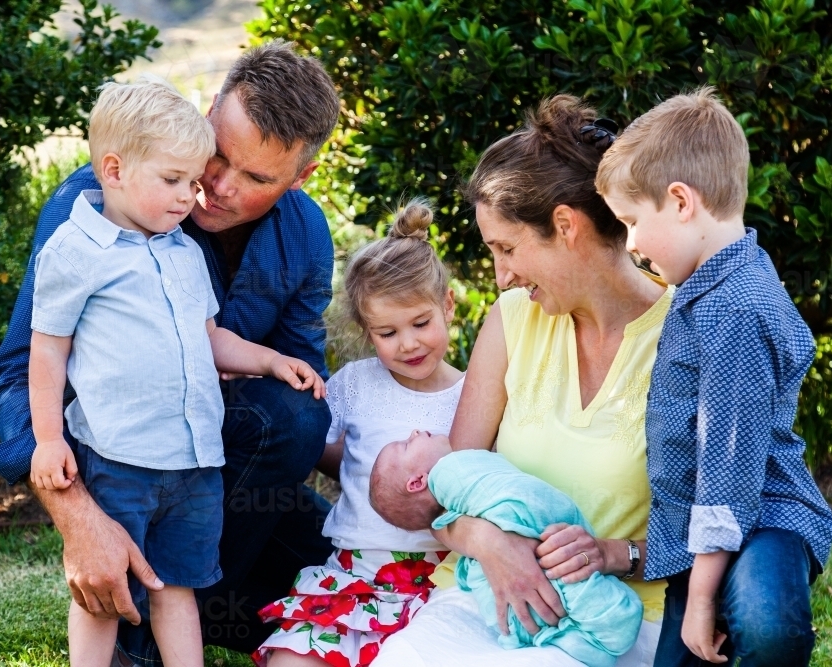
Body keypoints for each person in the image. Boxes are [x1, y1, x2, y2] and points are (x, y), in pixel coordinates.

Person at [0, 40, 342, 664]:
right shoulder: (94, 206)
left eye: (257, 179)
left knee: (337, 569)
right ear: (207, 114)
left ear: (300, 178)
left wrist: (396, 480)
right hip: (118, 455)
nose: (217, 189)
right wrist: (79, 522)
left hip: (219, 470)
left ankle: (194, 608)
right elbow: (19, 372)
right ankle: (143, 631)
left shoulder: (306, 234)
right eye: (218, 156)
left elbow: (300, 389)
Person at [371, 95, 671, 667]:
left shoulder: (682, 336)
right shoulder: (513, 319)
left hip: (609, 621)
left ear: (566, 226)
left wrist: (615, 554)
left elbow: (715, 522)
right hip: (482, 598)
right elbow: (449, 488)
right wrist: (491, 545)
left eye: (507, 248)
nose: (502, 274)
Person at [595, 88, 832, 667]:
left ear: (681, 201)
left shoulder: (735, 308)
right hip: (699, 533)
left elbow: (728, 468)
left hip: (761, 515)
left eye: (631, 222)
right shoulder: (720, 280)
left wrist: (702, 595)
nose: (630, 245)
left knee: (765, 624)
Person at [251, 200, 465, 667]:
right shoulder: (358, 383)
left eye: (421, 323)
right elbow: (321, 445)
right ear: (368, 334)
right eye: (387, 332)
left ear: (446, 305)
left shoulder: (471, 395)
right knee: (292, 659)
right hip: (354, 571)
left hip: (440, 579)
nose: (407, 343)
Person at [370, 437, 644, 666]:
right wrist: (487, 540)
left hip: (625, 574)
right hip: (490, 587)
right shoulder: (450, 472)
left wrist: (610, 554)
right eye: (406, 444)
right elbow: (436, 519)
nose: (415, 432)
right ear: (417, 482)